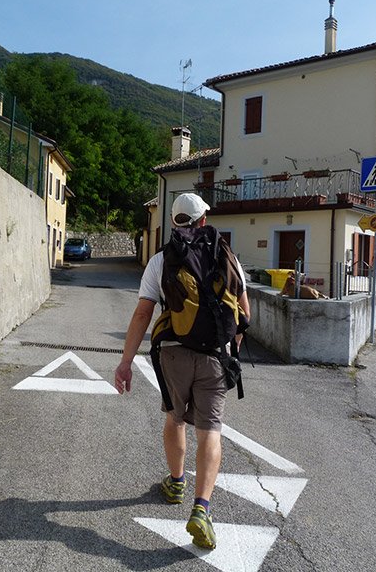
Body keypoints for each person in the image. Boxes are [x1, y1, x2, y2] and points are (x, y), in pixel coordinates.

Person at [114, 193, 250, 550]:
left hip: (173, 353)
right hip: (215, 356)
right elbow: (244, 314)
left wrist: (126, 362)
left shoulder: (161, 260)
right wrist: (231, 350)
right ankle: (201, 509)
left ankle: (176, 484)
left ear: (174, 221)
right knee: (210, 431)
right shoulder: (227, 257)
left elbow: (143, 313)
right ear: (204, 220)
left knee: (175, 418)